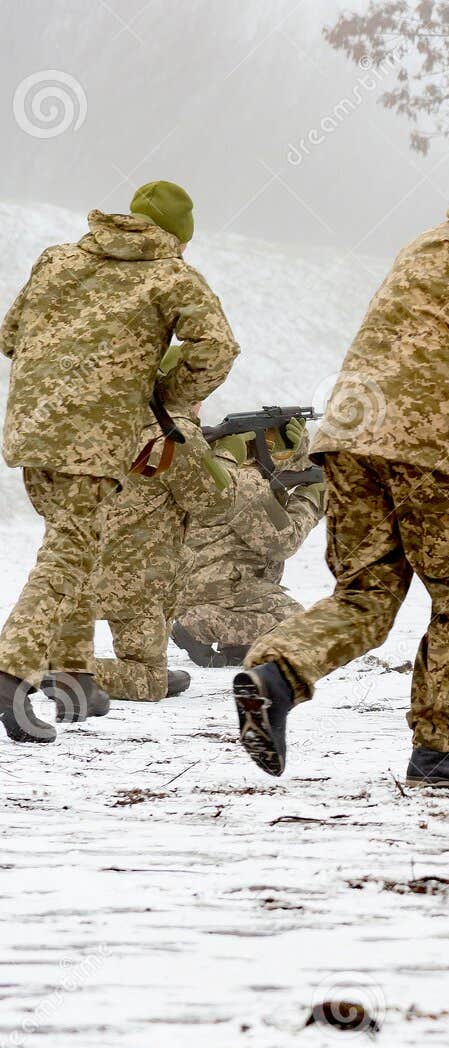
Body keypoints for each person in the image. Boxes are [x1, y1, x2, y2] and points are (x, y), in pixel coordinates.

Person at [233, 142, 449, 787]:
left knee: (365, 595)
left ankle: (276, 674)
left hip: (348, 432)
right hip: (435, 442)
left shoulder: (432, 240)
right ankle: (436, 748)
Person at [0, 181, 238, 742]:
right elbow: (218, 348)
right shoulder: (171, 275)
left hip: (33, 426)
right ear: (179, 235)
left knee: (75, 539)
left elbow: (11, 336)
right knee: (69, 551)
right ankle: (12, 673)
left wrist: (63, 371)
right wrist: (166, 394)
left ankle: (74, 676)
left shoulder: (57, 259)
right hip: (97, 435)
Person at [50, 359, 233, 703]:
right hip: (138, 578)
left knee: (154, 671)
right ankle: (57, 671)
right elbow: (216, 503)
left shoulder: (105, 423)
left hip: (82, 565)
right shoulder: (176, 434)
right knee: (148, 682)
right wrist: (226, 457)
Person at [171, 420, 325, 668]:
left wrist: (300, 453)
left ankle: (237, 643)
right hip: (224, 587)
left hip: (205, 583)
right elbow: (283, 541)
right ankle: (199, 625)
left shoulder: (213, 470)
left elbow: (279, 469)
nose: (278, 450)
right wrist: (312, 498)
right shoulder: (245, 483)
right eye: (274, 442)